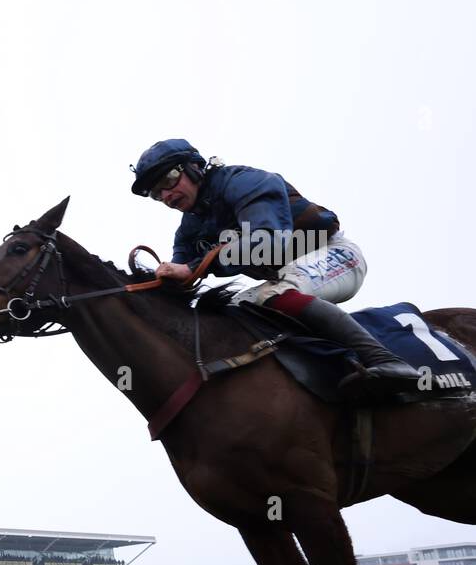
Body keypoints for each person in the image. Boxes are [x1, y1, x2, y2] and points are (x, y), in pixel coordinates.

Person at [130, 138, 420, 392]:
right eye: (157, 193)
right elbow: (182, 273)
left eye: (168, 179)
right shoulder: (188, 229)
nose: (166, 196)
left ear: (194, 168)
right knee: (231, 314)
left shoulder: (243, 181)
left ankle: (387, 361)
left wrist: (194, 266)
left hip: (336, 255)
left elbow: (268, 244)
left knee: (273, 296)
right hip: (285, 276)